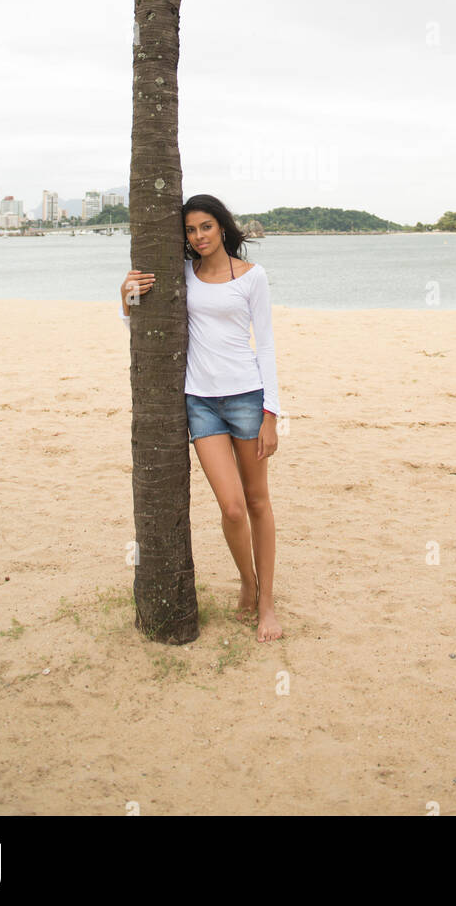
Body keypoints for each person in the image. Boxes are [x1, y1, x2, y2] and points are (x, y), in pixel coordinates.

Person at [119, 194, 283, 642]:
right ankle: (246, 582)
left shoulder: (252, 278)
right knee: (231, 507)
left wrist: (272, 413)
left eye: (205, 227)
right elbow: (146, 320)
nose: (198, 237)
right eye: (190, 230)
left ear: (222, 227)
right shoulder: (183, 275)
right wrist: (126, 298)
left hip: (248, 398)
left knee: (257, 502)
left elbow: (265, 345)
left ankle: (266, 601)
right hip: (201, 402)